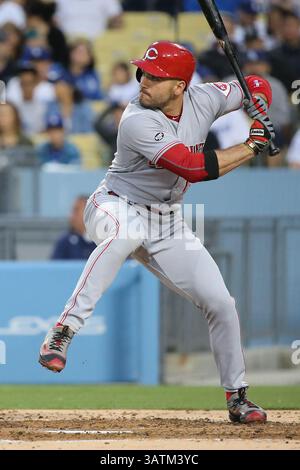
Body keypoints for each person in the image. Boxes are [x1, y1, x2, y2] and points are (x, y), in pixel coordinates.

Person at [39, 41, 275, 424]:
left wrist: (258, 105)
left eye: (156, 76)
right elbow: (192, 168)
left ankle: (238, 396)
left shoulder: (206, 98)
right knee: (124, 236)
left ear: (180, 85)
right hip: (115, 203)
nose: (144, 81)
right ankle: (63, 330)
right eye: (143, 72)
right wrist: (251, 145)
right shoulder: (136, 118)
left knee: (221, 303)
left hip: (167, 220)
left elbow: (256, 83)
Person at [51, 195, 96, 260]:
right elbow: (54, 268)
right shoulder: (64, 242)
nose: (71, 216)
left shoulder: (102, 241)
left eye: (76, 210)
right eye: (72, 211)